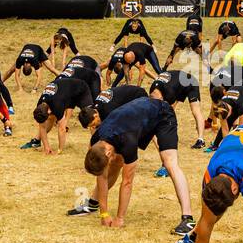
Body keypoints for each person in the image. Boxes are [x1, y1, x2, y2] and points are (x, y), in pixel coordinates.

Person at [79, 97, 194, 235]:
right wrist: (104, 214)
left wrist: (119, 218)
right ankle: (94, 204)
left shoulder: (127, 142)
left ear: (109, 152)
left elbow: (127, 182)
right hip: (136, 118)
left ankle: (188, 219)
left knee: (170, 163)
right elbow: (102, 177)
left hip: (162, 114)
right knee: (116, 163)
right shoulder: (96, 139)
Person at [31, 76, 93, 155]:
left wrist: (59, 150)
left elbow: (62, 129)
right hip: (67, 93)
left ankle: (96, 142)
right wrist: (46, 147)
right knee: (51, 119)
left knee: (90, 117)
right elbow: (42, 126)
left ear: (49, 111)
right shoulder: (40, 105)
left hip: (81, 89)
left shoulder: (57, 104)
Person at [149, 69, 206, 148]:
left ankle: (201, 140)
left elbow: (169, 111)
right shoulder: (152, 90)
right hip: (178, 83)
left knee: (195, 110)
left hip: (190, 82)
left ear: (162, 97)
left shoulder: (169, 92)